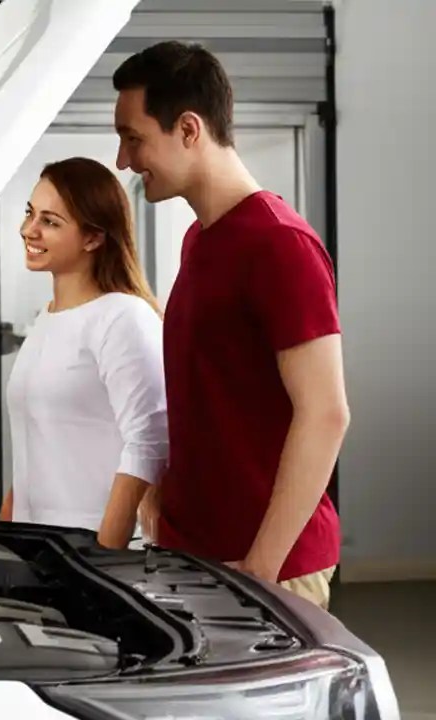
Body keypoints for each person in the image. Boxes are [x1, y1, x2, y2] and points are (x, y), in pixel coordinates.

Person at [111, 41, 349, 608]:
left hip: (264, 568)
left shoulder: (279, 244)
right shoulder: (200, 239)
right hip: (199, 554)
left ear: (189, 129)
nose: (124, 159)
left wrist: (261, 569)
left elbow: (327, 413)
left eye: (134, 137)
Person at [0, 157, 168, 550]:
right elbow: (32, 450)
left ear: (93, 238)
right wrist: (0, 544)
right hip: (35, 550)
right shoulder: (48, 318)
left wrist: (104, 560)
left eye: (50, 221)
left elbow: (147, 443)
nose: (29, 230)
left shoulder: (123, 316)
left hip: (90, 553)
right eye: (30, 213)